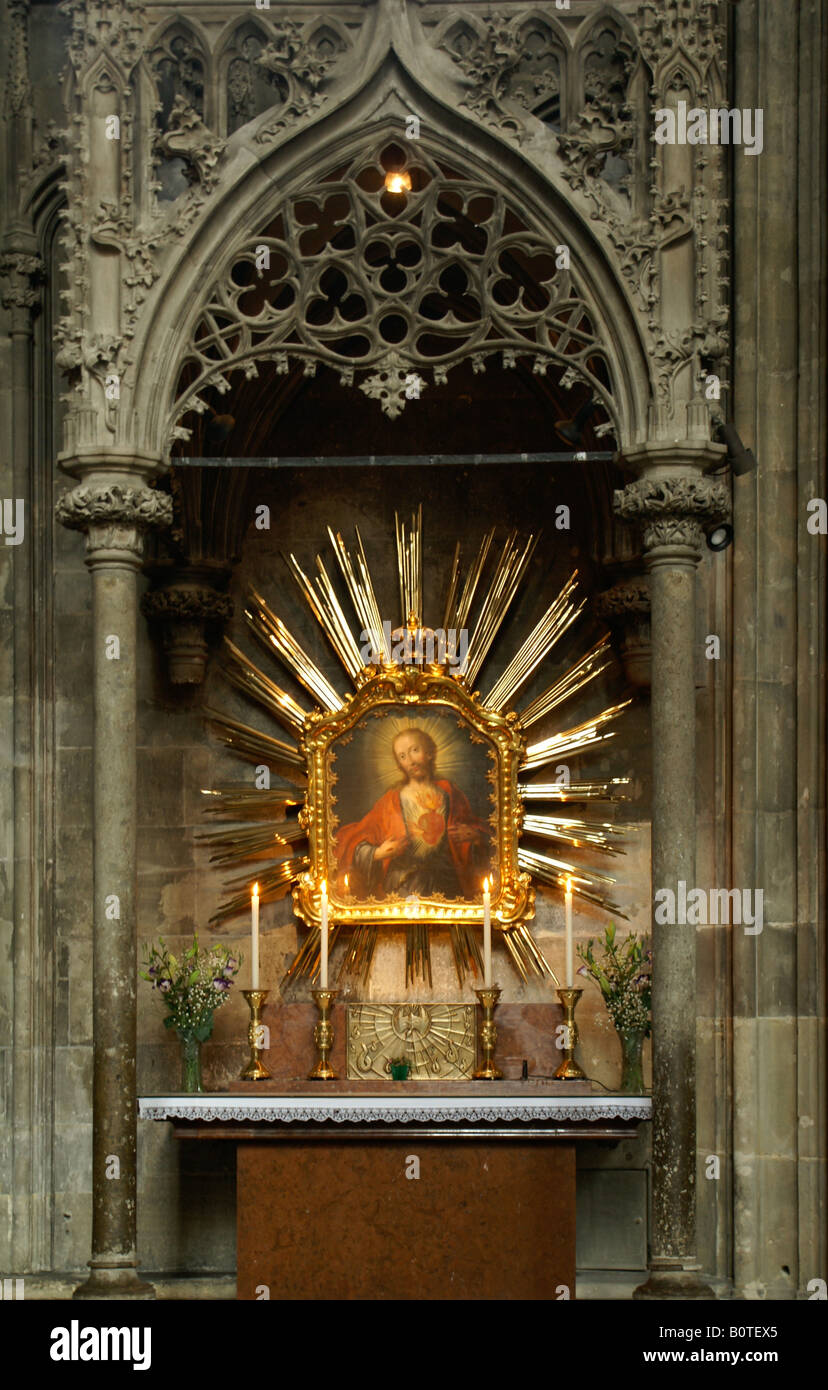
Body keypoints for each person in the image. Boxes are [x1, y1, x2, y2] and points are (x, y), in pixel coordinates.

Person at [335, 727, 490, 900]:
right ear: (399, 764)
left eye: (414, 750)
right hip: (402, 886)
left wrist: (476, 836)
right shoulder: (390, 801)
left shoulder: (449, 793)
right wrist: (377, 853)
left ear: (430, 753)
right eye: (402, 756)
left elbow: (480, 833)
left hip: (447, 885)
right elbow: (351, 839)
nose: (410, 760)